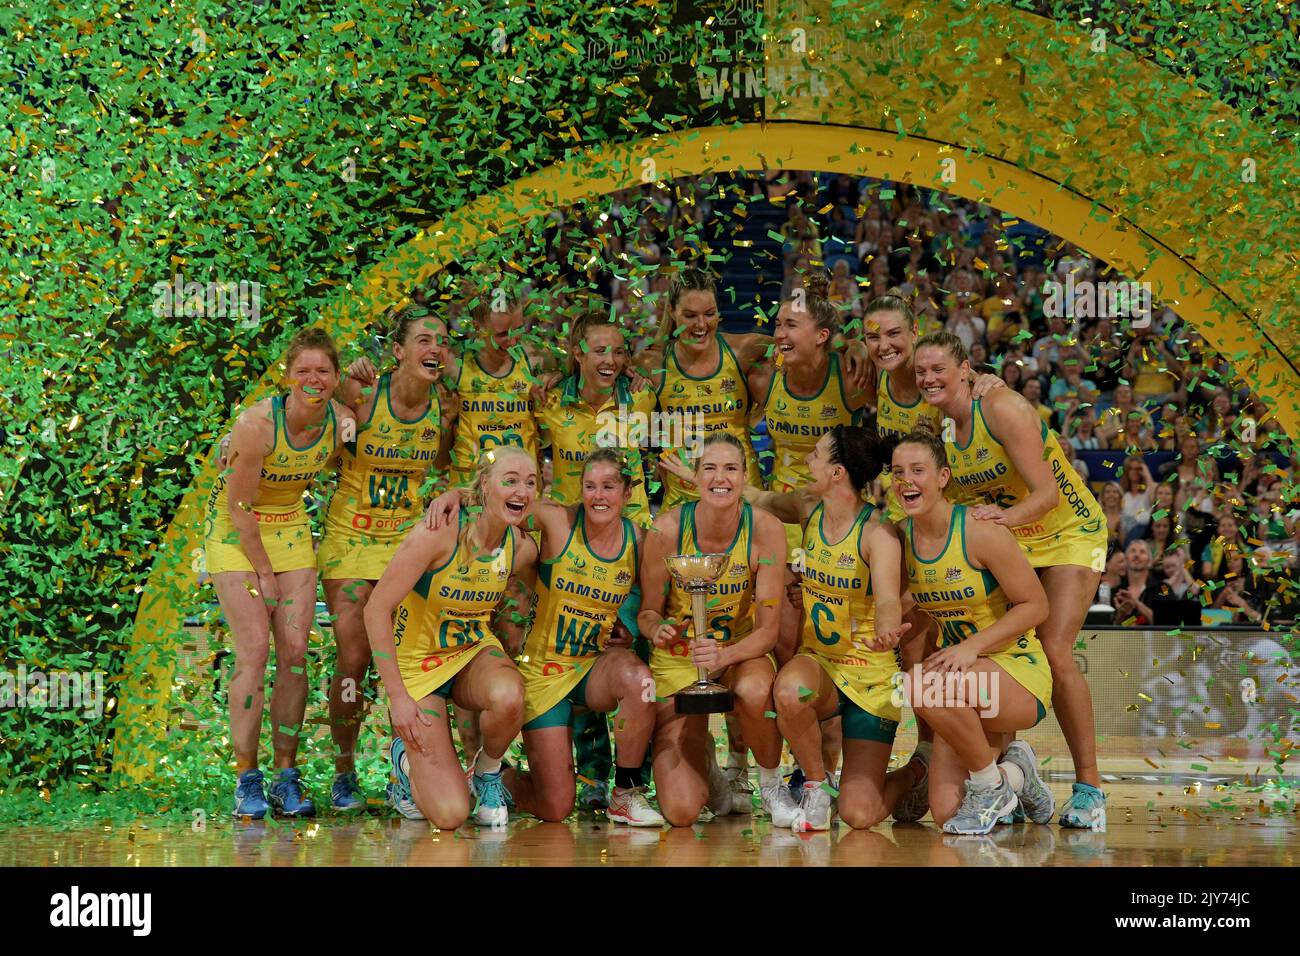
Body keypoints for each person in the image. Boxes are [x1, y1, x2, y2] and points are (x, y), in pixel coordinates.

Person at [914, 330, 1109, 830]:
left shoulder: (1003, 409)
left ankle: (1090, 788)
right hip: (1014, 536)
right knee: (990, 652)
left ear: (965, 370)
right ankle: (1010, 776)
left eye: (939, 368)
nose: (929, 378)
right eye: (922, 372)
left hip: (1066, 531)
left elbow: (1045, 493)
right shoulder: (944, 429)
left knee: (1056, 649)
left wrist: (1001, 523)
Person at [426, 449, 662, 825]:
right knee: (556, 809)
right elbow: (503, 501)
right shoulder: (556, 519)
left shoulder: (641, 542)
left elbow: (648, 608)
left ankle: (626, 793)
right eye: (590, 487)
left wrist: (629, 628)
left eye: (609, 487)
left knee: (641, 680)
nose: (599, 496)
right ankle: (493, 776)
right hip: (543, 673)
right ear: (580, 490)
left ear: (628, 492)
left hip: (592, 666)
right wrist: (454, 496)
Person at [206, 328, 356, 818]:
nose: (314, 379)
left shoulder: (341, 420)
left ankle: (285, 776)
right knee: (255, 651)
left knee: (295, 654)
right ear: (287, 375)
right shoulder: (257, 425)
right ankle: (246, 779)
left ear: (335, 377)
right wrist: (265, 576)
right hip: (236, 530)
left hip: (290, 525)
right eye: (304, 371)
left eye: (324, 371)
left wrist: (362, 379)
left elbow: (372, 396)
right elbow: (240, 505)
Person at [746, 425, 920, 830]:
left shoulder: (879, 533)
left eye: (816, 455)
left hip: (870, 677)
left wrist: (887, 629)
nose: (807, 460)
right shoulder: (809, 506)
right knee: (789, 691)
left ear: (838, 472)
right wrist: (709, 479)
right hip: (821, 665)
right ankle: (817, 786)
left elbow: (890, 599)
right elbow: (759, 498)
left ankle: (917, 771)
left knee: (860, 816)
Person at [316, 306, 451, 811]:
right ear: (397, 351)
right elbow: (312, 424)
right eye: (422, 339)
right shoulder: (363, 392)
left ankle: (408, 764)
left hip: (408, 546)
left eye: (441, 340)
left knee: (413, 660)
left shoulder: (447, 407)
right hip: (350, 539)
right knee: (354, 657)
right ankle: (344, 770)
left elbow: (450, 464)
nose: (434, 348)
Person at [363, 447, 536, 828]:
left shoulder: (519, 543)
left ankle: (487, 773)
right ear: (485, 485)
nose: (522, 491)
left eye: (530, 482)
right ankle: (405, 764)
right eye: (510, 481)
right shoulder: (437, 533)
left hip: (471, 652)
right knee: (451, 816)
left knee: (509, 695)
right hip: (418, 666)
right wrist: (398, 699)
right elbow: (374, 610)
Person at [891, 431, 1054, 835]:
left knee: (922, 687)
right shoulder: (899, 536)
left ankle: (989, 784)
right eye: (897, 472)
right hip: (961, 684)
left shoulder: (980, 531)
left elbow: (1037, 605)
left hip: (1015, 673)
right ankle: (1016, 776)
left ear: (943, 476)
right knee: (947, 813)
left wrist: (971, 647)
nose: (906, 480)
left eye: (917, 470)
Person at [636, 433, 790, 826]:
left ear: (744, 476)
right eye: (710, 468)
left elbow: (768, 630)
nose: (720, 477)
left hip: (739, 649)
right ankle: (702, 754)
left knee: (755, 689)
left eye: (731, 468)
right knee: (682, 812)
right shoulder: (666, 530)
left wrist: (724, 656)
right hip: (679, 657)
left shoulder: (768, 528)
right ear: (696, 476)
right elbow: (649, 612)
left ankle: (770, 785)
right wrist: (659, 630)